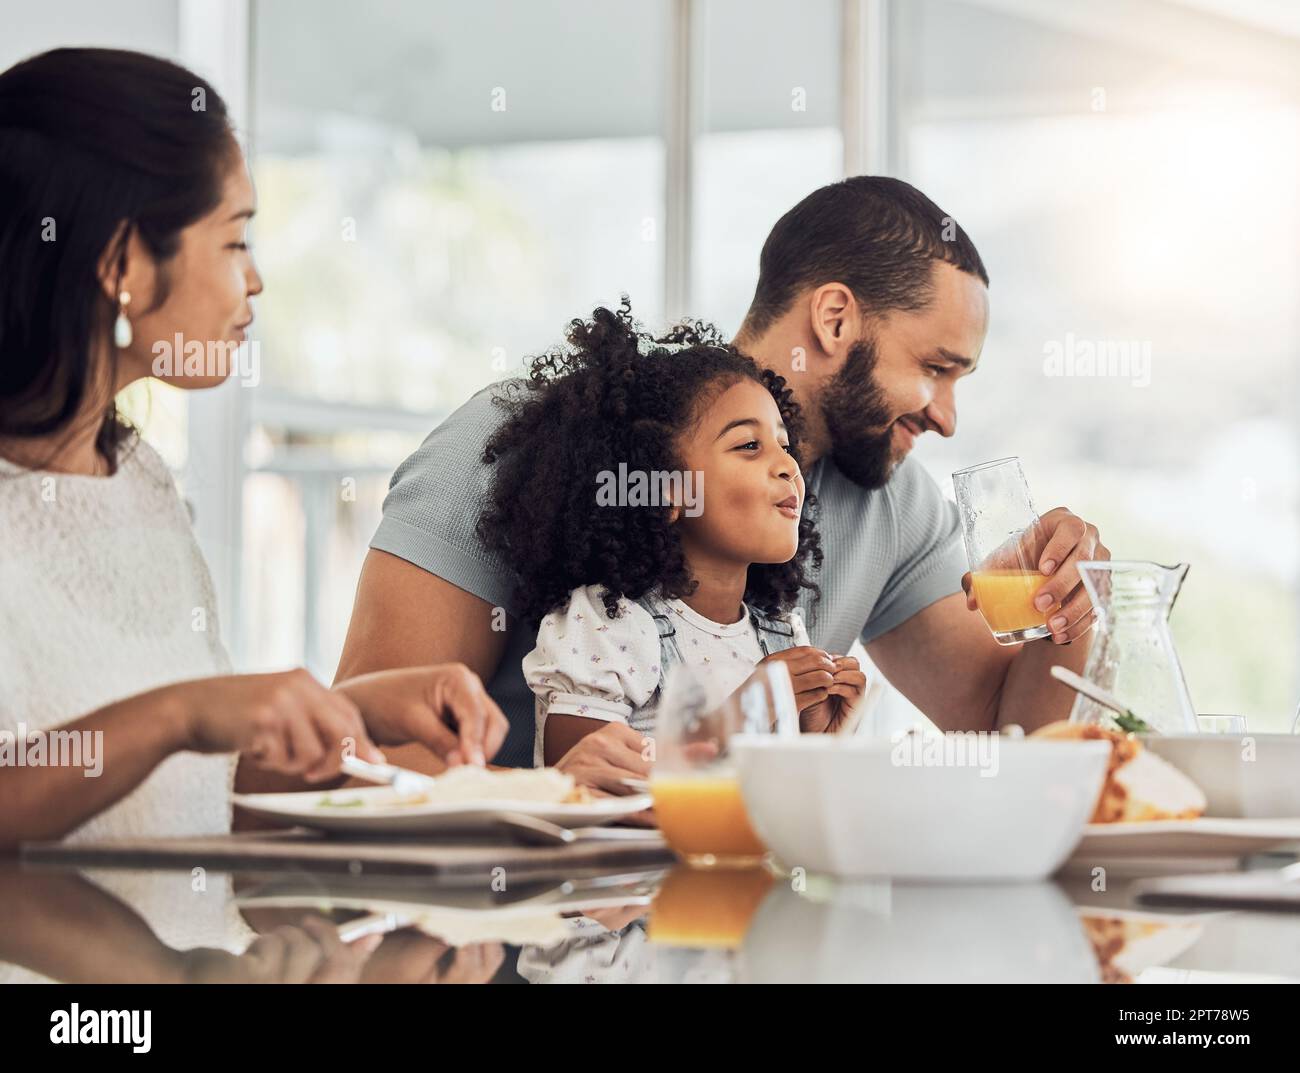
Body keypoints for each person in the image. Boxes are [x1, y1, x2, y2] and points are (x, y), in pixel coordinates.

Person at [339, 176, 1108, 784]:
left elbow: (1009, 736)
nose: (946, 416)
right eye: (935, 369)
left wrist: (1058, 609)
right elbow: (365, 751)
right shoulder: (512, 442)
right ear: (835, 321)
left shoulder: (896, 506)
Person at [0, 48, 508, 849]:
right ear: (124, 262)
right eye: (236, 240)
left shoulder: (139, 481)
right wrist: (186, 710)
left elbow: (189, 791)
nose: (257, 281)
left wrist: (354, 712)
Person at [475, 302, 866, 768]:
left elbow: (776, 804)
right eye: (748, 446)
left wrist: (820, 742)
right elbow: (584, 774)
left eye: (784, 445)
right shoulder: (610, 624)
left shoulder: (782, 632)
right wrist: (742, 713)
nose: (788, 466)